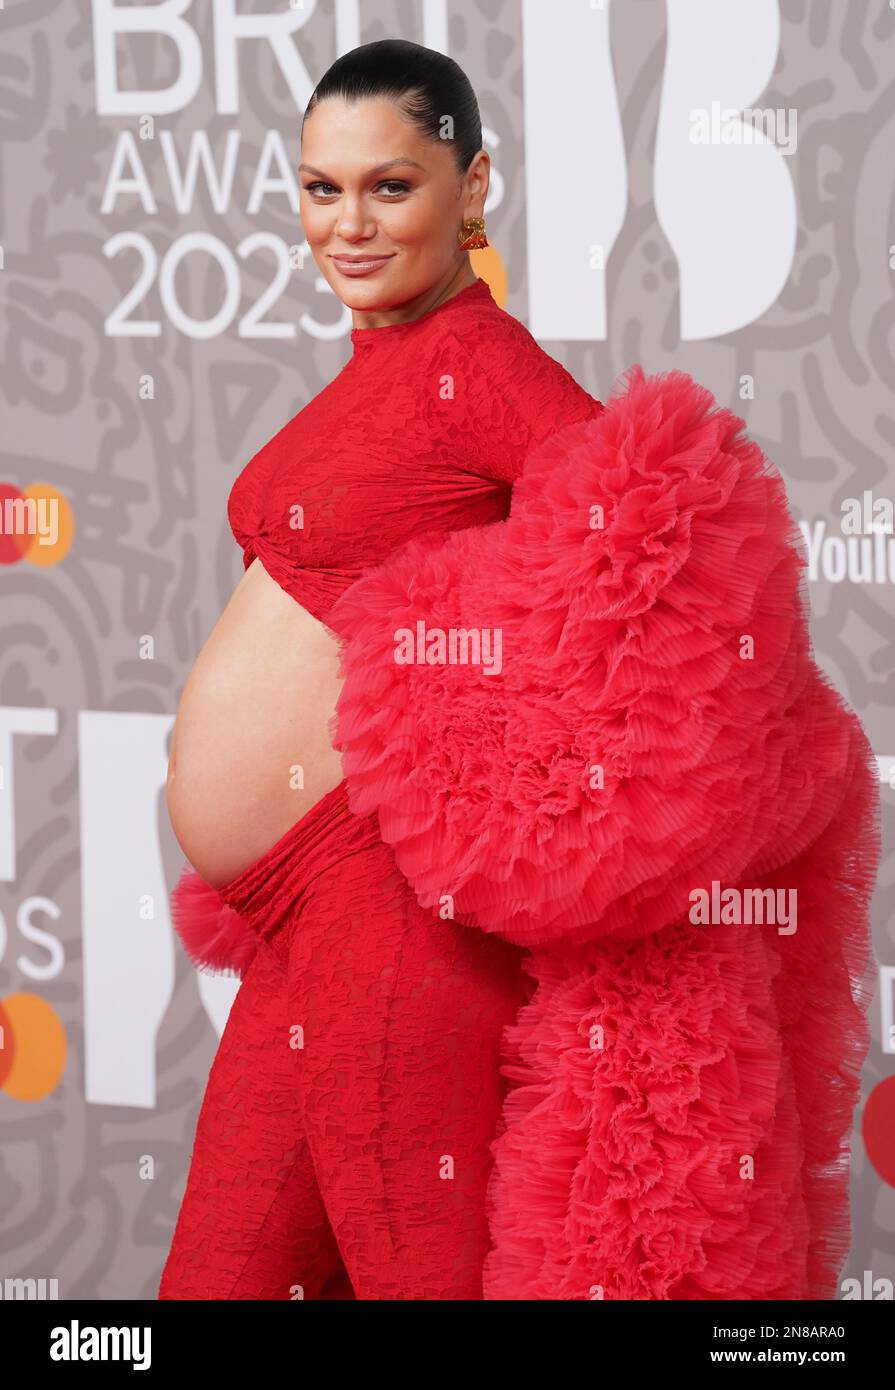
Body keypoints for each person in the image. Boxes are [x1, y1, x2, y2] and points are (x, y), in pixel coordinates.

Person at [158, 39, 880, 1301]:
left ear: (472, 183)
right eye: (322, 190)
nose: (350, 224)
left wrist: (520, 776)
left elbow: (662, 541)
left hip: (376, 905)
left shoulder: (476, 365)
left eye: (392, 186)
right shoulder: (381, 365)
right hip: (292, 915)